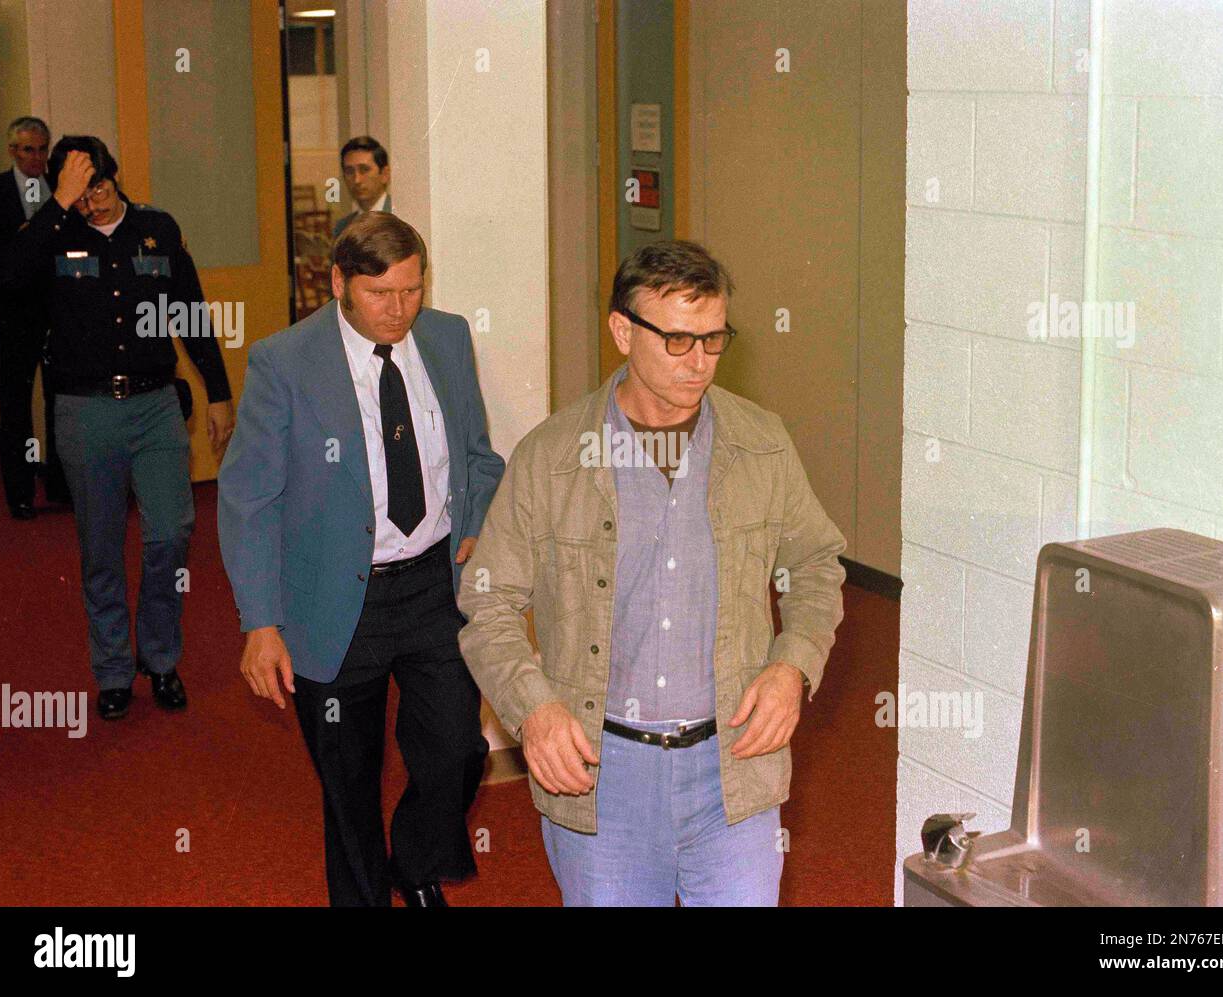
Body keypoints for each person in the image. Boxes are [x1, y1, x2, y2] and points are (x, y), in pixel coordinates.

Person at [457, 240, 847, 906]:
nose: (700, 361)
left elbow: (814, 563)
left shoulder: (762, 442)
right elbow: (487, 601)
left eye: (714, 338)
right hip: (603, 776)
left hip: (734, 765)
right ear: (621, 331)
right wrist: (535, 709)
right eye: (676, 339)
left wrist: (792, 665)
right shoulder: (550, 458)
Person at [218, 211, 505, 907]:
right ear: (339, 281)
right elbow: (248, 497)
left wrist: (475, 522)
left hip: (436, 583)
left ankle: (412, 861)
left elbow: (479, 457)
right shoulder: (284, 361)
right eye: (381, 293)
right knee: (348, 784)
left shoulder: (445, 337)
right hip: (336, 598)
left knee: (460, 751)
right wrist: (261, 622)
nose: (399, 310)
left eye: (412, 290)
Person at [0, 135, 235, 719]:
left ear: (115, 176)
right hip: (85, 411)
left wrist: (218, 392)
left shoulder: (155, 228)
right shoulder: (53, 235)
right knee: (100, 546)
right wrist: (59, 206)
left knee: (172, 532)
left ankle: (159, 658)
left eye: (99, 186)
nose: (92, 202)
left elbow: (190, 311)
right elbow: (4, 283)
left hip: (155, 406)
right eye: (80, 193)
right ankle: (111, 668)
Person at [0, 115, 68, 517]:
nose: (37, 158)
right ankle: (19, 493)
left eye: (41, 149)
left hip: (58, 310)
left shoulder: (62, 187)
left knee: (62, 399)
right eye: (29, 150)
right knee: (15, 405)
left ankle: (60, 485)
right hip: (15, 313)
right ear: (14, 151)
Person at [333, 136, 392, 238]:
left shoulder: (400, 217)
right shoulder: (343, 227)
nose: (357, 180)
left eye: (364, 169)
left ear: (384, 174)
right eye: (350, 171)